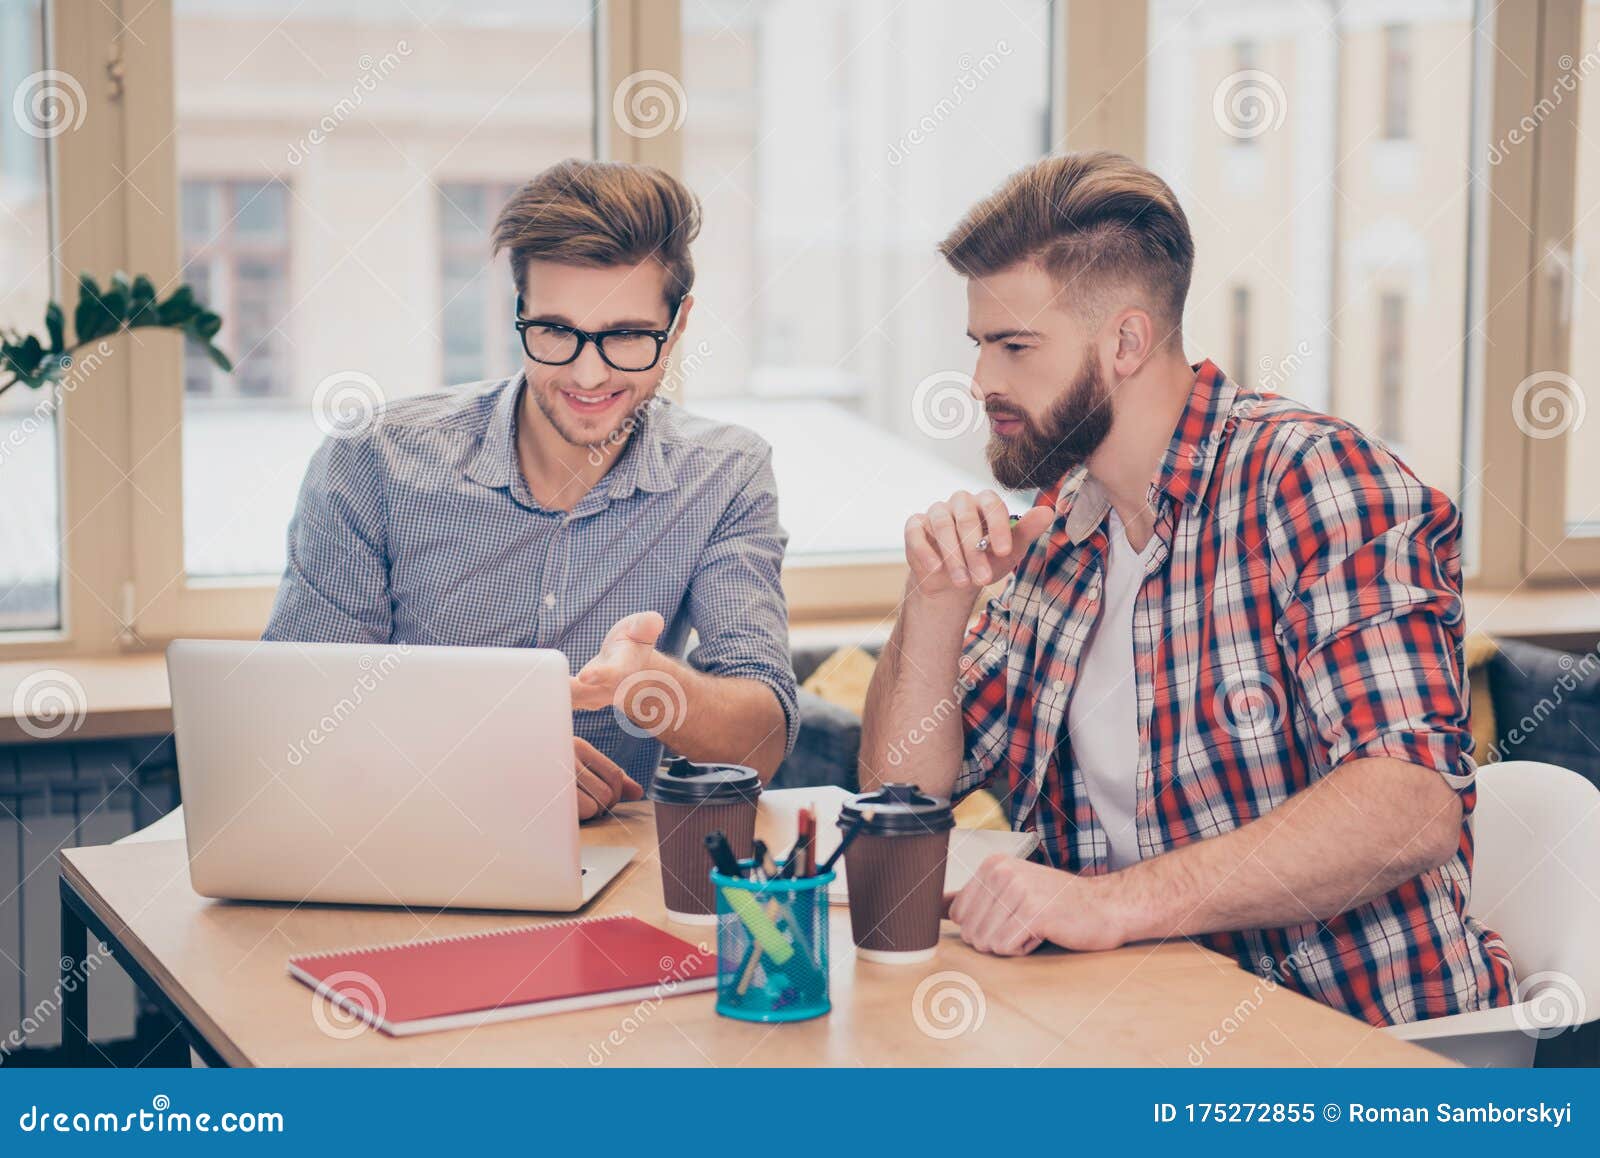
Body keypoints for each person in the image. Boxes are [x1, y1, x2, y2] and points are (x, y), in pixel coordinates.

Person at [860, 150, 1515, 1026]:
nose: (982, 383)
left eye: (1015, 347)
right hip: (1139, 1025)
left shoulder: (1313, 481)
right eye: (980, 347)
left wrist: (1112, 903)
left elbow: (1410, 802)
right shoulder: (1061, 528)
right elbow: (900, 793)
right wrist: (934, 603)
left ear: (1126, 341)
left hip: (1355, 1043)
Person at [265, 159, 797, 817]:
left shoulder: (724, 475)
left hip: (605, 869)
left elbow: (764, 744)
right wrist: (485, 755)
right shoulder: (373, 461)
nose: (589, 373)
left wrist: (655, 683)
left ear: (678, 324)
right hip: (394, 840)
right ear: (519, 312)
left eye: (627, 336)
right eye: (555, 331)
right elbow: (297, 722)